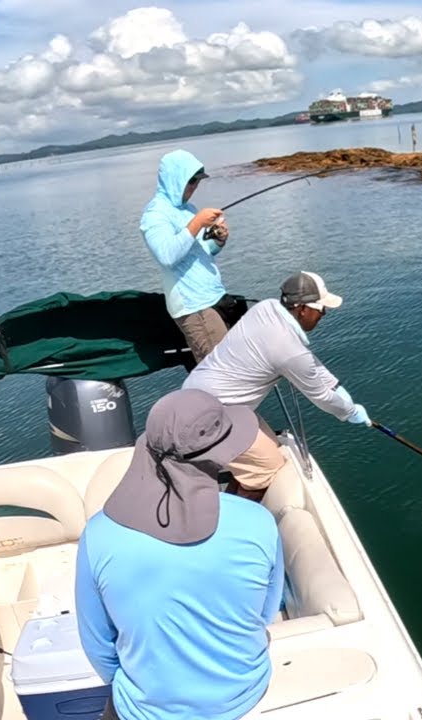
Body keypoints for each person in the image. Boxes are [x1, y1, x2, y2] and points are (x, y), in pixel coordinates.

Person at [76, 388, 284, 720]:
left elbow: (98, 645)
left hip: (146, 710)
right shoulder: (259, 522)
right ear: (224, 452)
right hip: (246, 693)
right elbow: (265, 612)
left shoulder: (97, 535)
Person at [183, 271, 371, 501]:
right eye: (321, 309)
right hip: (210, 415)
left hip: (200, 396)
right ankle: (232, 526)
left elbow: (308, 363)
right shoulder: (289, 350)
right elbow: (320, 395)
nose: (324, 314)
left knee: (269, 449)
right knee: (266, 468)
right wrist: (349, 412)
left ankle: (233, 499)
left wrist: (336, 385)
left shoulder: (265, 309)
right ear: (302, 308)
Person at [140, 149, 232, 362]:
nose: (194, 187)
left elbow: (204, 251)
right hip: (194, 306)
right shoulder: (155, 215)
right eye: (191, 181)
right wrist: (197, 223)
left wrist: (218, 240)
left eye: (197, 182)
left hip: (213, 297)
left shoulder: (188, 209)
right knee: (222, 371)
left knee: (229, 367)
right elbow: (167, 255)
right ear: (176, 178)